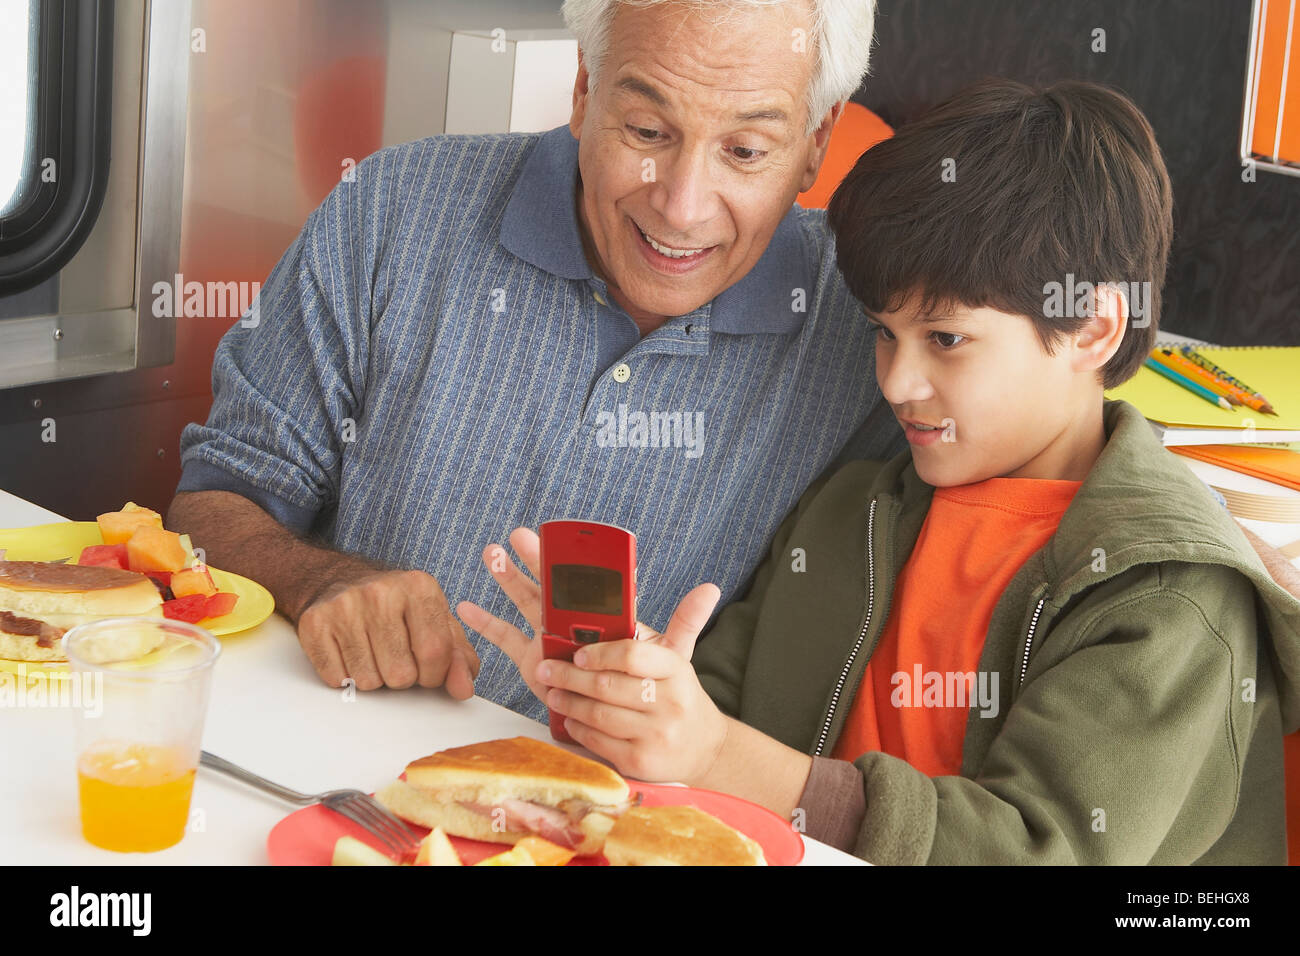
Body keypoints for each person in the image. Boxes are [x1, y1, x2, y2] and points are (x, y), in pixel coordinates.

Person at [464, 78, 1300, 863]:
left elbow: (1033, 849)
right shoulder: (852, 509)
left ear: (1090, 331)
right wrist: (631, 700)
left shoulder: (1172, 600)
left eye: (944, 339)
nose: (897, 382)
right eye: (883, 332)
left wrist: (724, 756)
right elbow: (714, 721)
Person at [166, 0, 902, 719]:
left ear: (815, 141)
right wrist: (318, 578)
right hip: (324, 746)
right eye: (647, 130)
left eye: (744, 151)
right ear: (585, 89)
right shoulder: (392, 208)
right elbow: (212, 508)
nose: (682, 206)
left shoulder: (878, 329)